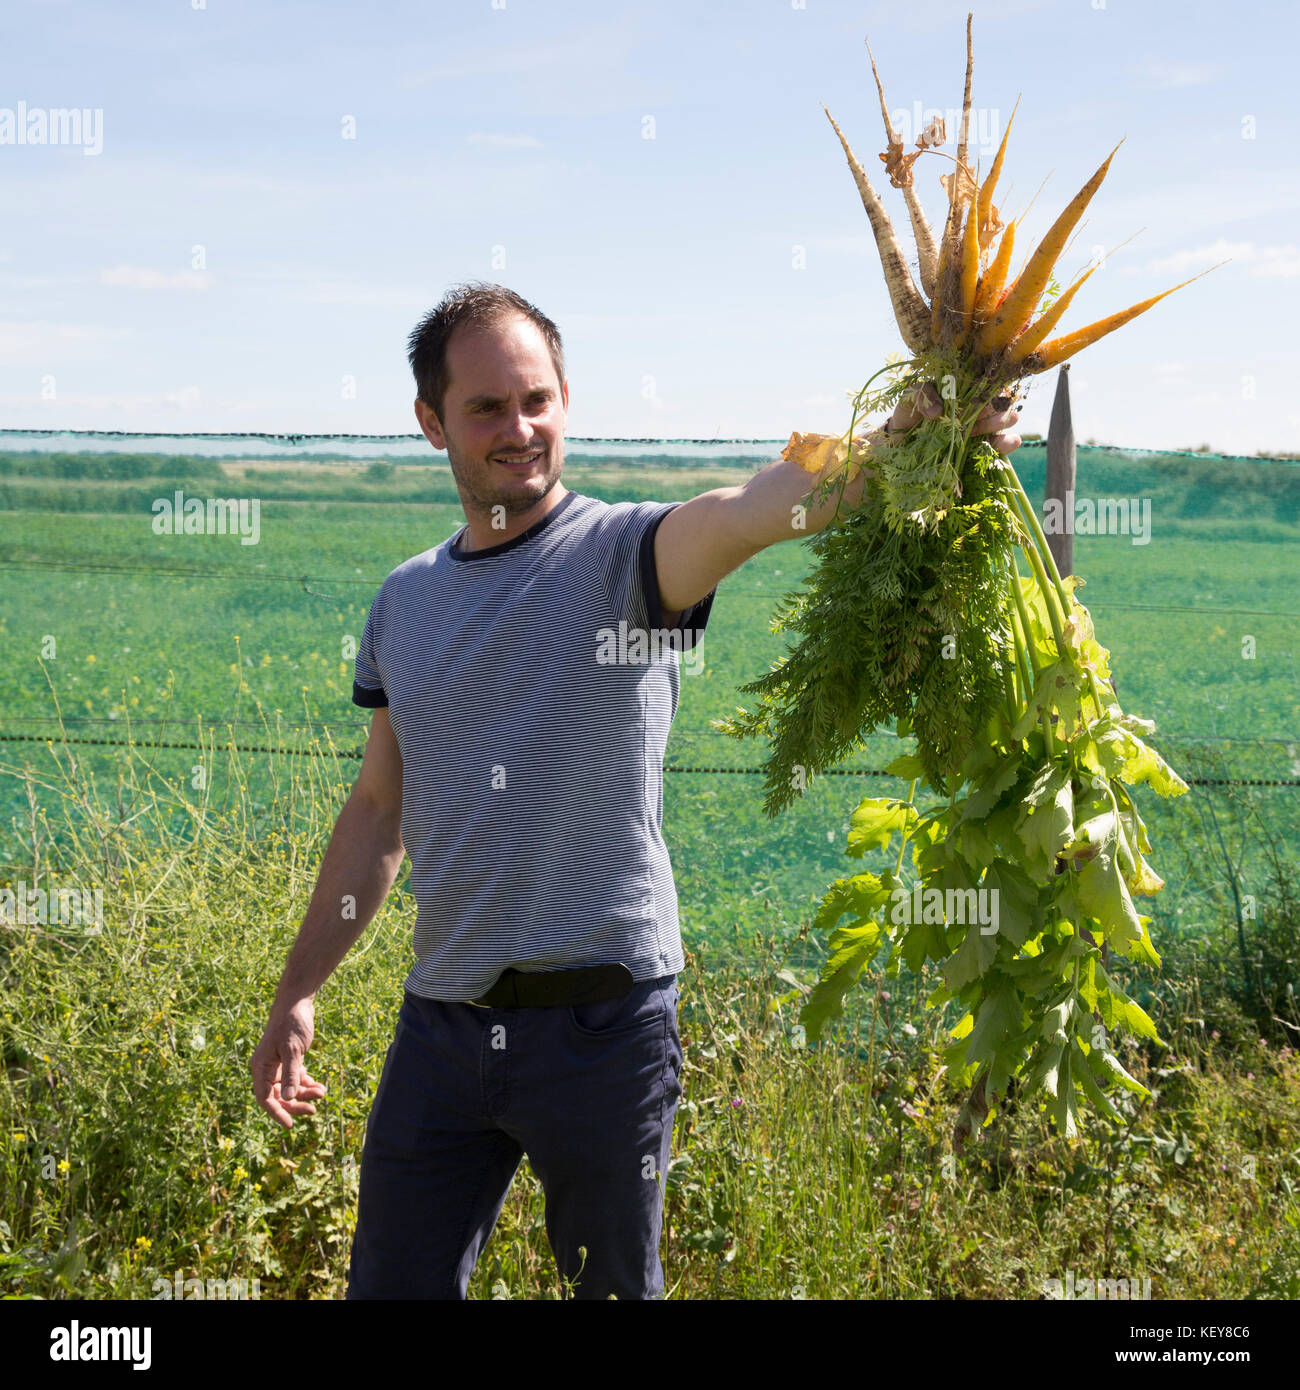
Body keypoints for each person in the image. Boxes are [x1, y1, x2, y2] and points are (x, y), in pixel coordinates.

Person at [249, 280, 1021, 1300]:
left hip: (602, 1029)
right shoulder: (406, 601)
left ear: (565, 400)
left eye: (537, 399)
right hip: (440, 1027)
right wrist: (298, 989)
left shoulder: (628, 558)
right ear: (431, 420)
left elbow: (756, 509)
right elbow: (378, 813)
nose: (519, 429)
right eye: (485, 408)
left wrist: (901, 442)